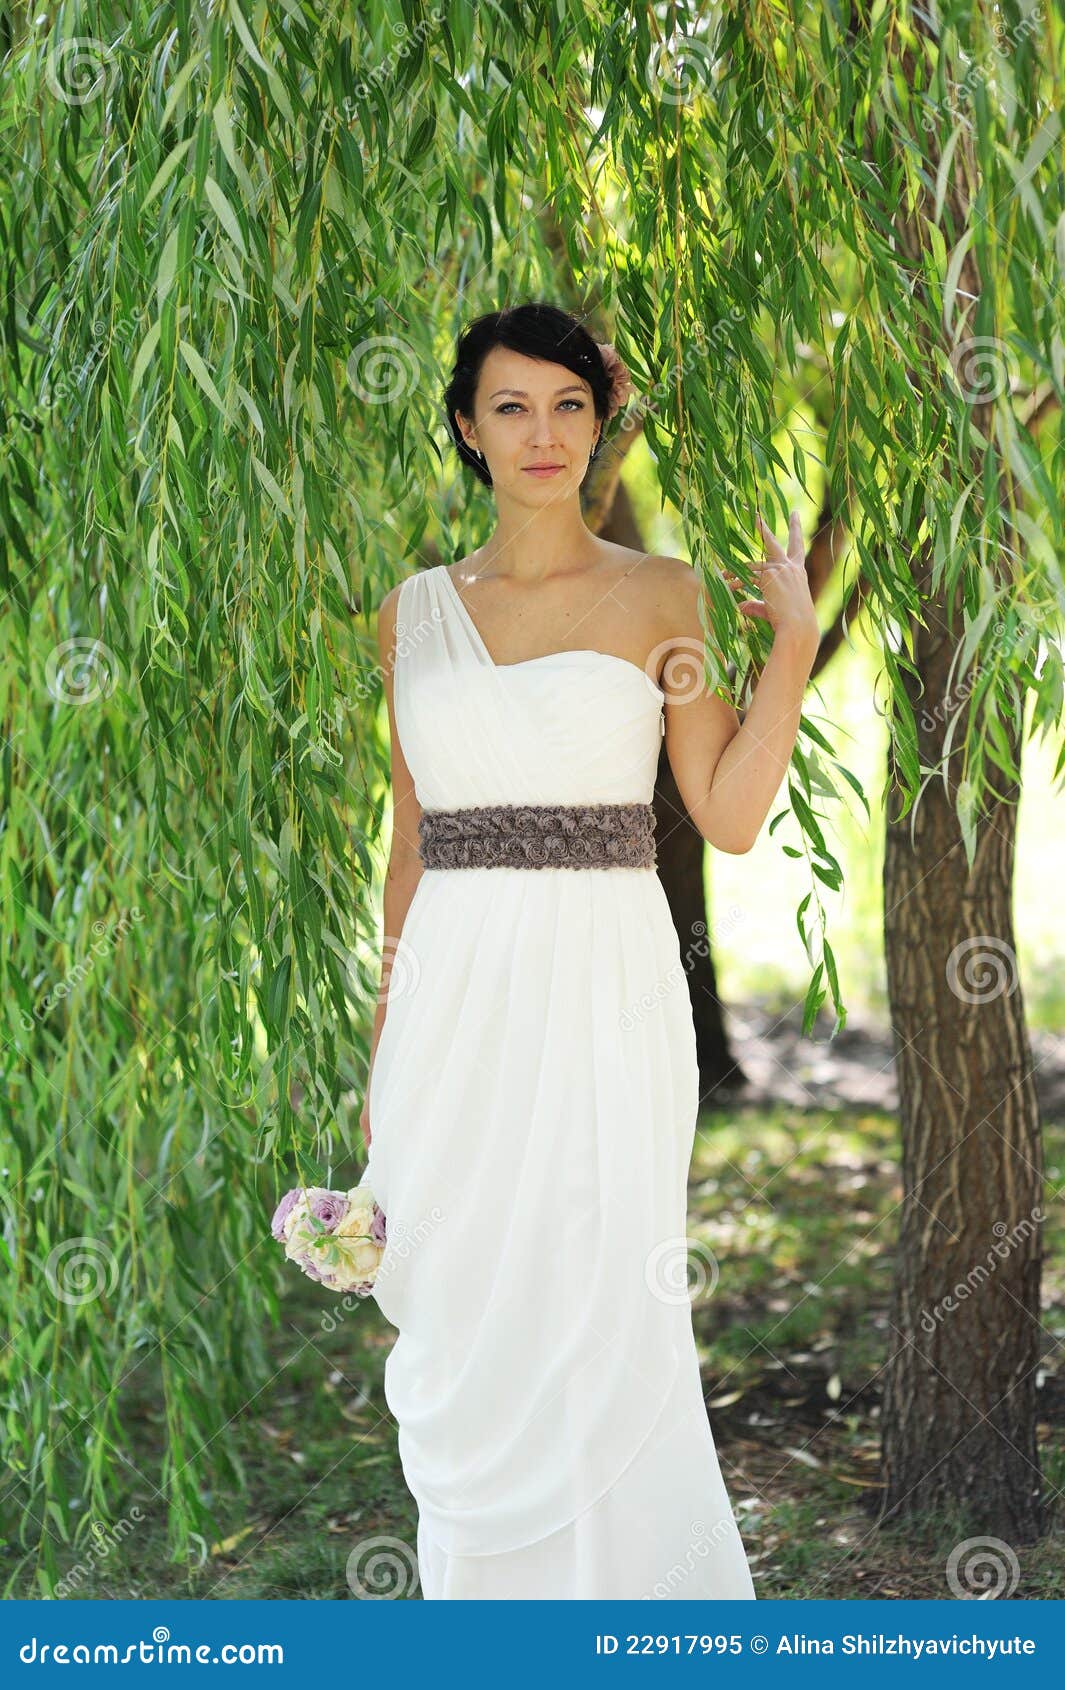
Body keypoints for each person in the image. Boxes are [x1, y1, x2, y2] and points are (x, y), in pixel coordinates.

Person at [360, 302, 819, 1600]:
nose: (542, 433)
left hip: (606, 989)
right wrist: (383, 1046)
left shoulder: (659, 592)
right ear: (465, 428)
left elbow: (727, 813)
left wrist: (791, 642)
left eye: (568, 405)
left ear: (599, 422)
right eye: (510, 407)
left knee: (600, 1298)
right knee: (468, 1305)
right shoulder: (409, 614)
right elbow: (408, 842)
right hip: (451, 995)